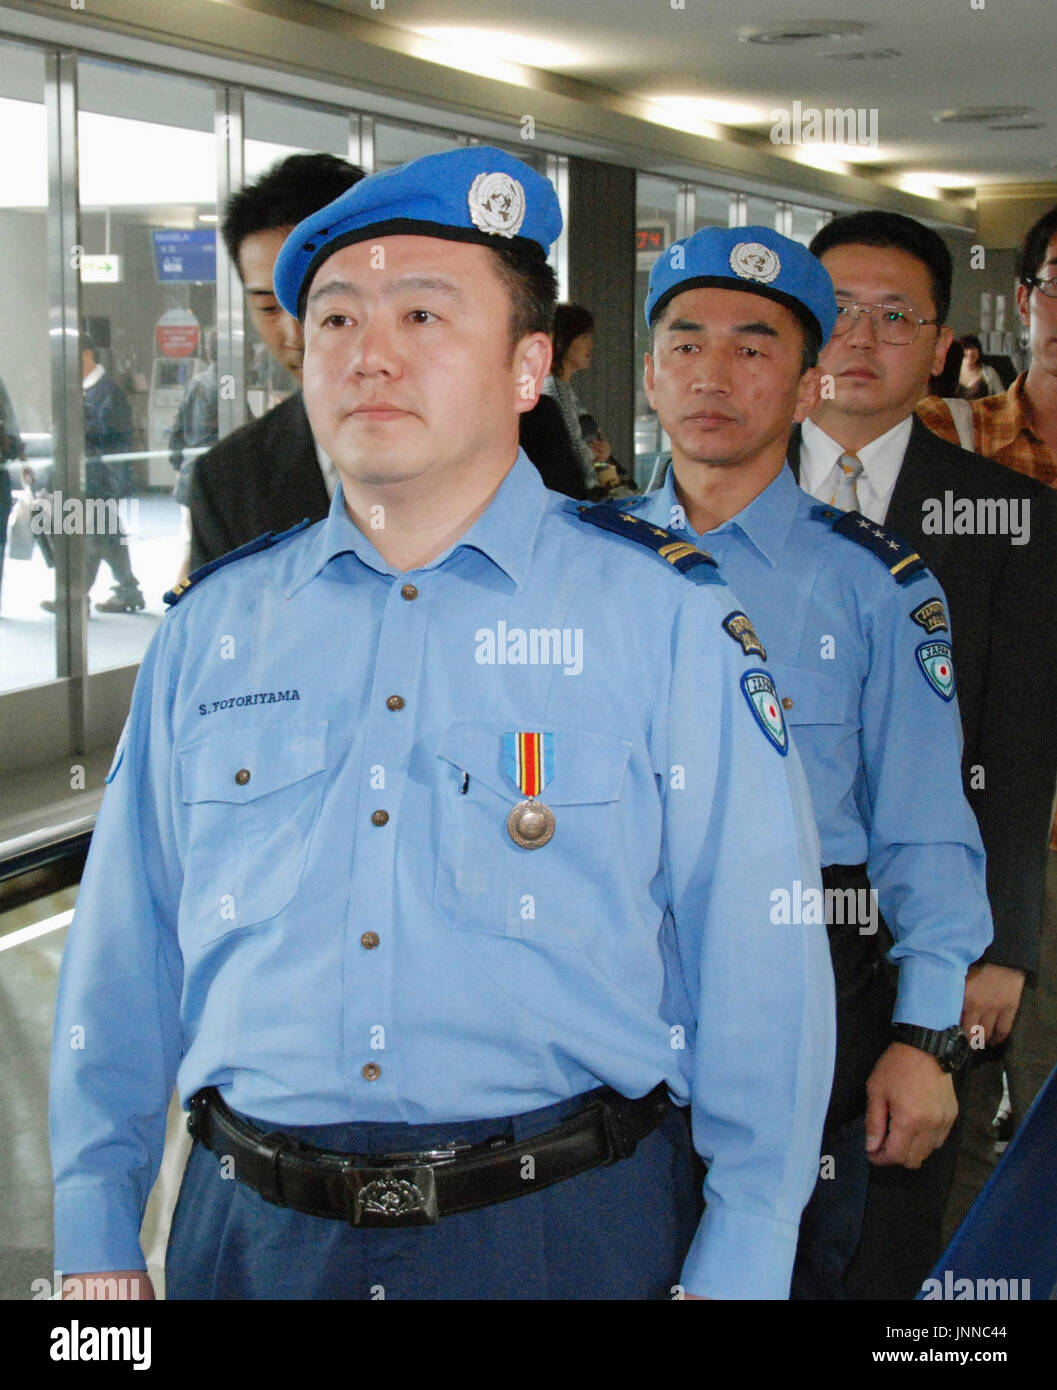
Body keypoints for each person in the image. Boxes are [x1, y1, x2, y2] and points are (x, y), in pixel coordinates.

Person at [51, 145, 834, 1302]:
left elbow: (759, 963)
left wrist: (745, 1257)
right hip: (251, 1238)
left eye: (423, 313)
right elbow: (121, 953)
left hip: (561, 1235)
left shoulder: (663, 618)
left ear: (528, 367)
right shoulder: (212, 630)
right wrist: (94, 1239)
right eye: (333, 319)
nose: (370, 352)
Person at [628, 224, 992, 1300]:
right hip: (616, 960)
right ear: (650, 376)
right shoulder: (583, 565)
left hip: (812, 959)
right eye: (685, 344)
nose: (712, 374)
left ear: (804, 385)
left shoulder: (875, 585)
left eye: (753, 347)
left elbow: (927, 827)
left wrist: (927, 1036)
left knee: (798, 1266)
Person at [791, 209, 1057, 1298]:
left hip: (917, 934)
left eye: (894, 316)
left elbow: (1017, 744)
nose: (861, 337)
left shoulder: (1013, 518)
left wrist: (1000, 944)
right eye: (836, 311)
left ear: (941, 344)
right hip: (743, 920)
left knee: (895, 1197)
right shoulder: (707, 499)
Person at [188, 154, 366, 571]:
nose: (294, 335)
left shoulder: (506, 436)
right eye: (268, 308)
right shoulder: (228, 479)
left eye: (314, 301)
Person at [38, 337, 145, 614]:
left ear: (86, 355)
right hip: (87, 477)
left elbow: (113, 438)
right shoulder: (82, 390)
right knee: (107, 535)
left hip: (99, 478)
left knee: (93, 537)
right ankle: (127, 590)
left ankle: (75, 597)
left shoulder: (108, 391)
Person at [542, 304, 625, 495]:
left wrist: (601, 458)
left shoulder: (563, 390)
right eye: (584, 337)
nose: (591, 344)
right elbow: (578, 452)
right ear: (564, 340)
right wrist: (599, 458)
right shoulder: (555, 391)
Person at [956, 334, 1002, 400]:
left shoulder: (989, 372)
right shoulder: (952, 372)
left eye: (973, 348)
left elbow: (1002, 399)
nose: (970, 352)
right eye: (966, 348)